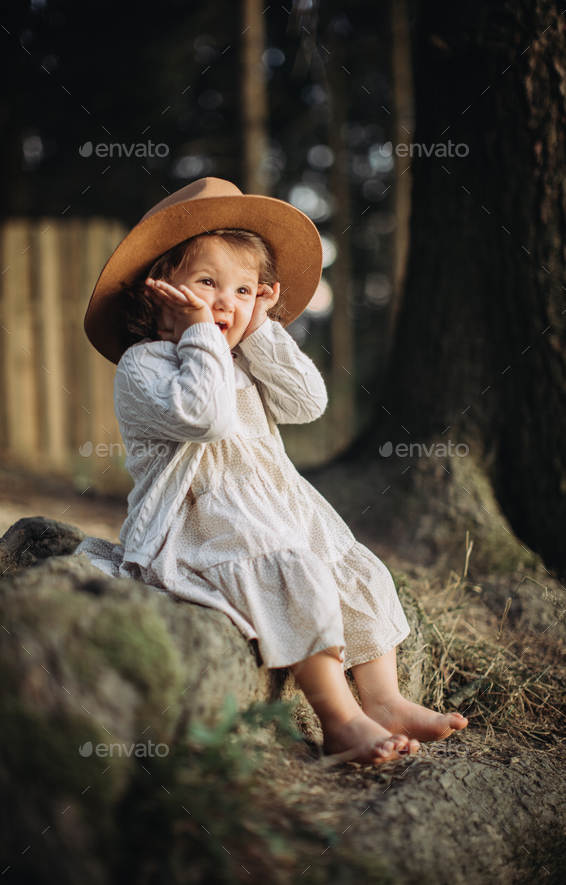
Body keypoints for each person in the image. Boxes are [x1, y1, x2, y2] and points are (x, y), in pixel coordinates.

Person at [75, 177, 468, 765]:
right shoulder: (145, 365)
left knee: (353, 567)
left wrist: (259, 328)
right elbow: (205, 417)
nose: (225, 301)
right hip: (201, 518)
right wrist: (200, 334)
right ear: (157, 291)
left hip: (280, 507)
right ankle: (339, 720)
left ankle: (384, 700)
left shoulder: (242, 355)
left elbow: (308, 402)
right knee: (291, 571)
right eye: (206, 283)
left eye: (243, 289)